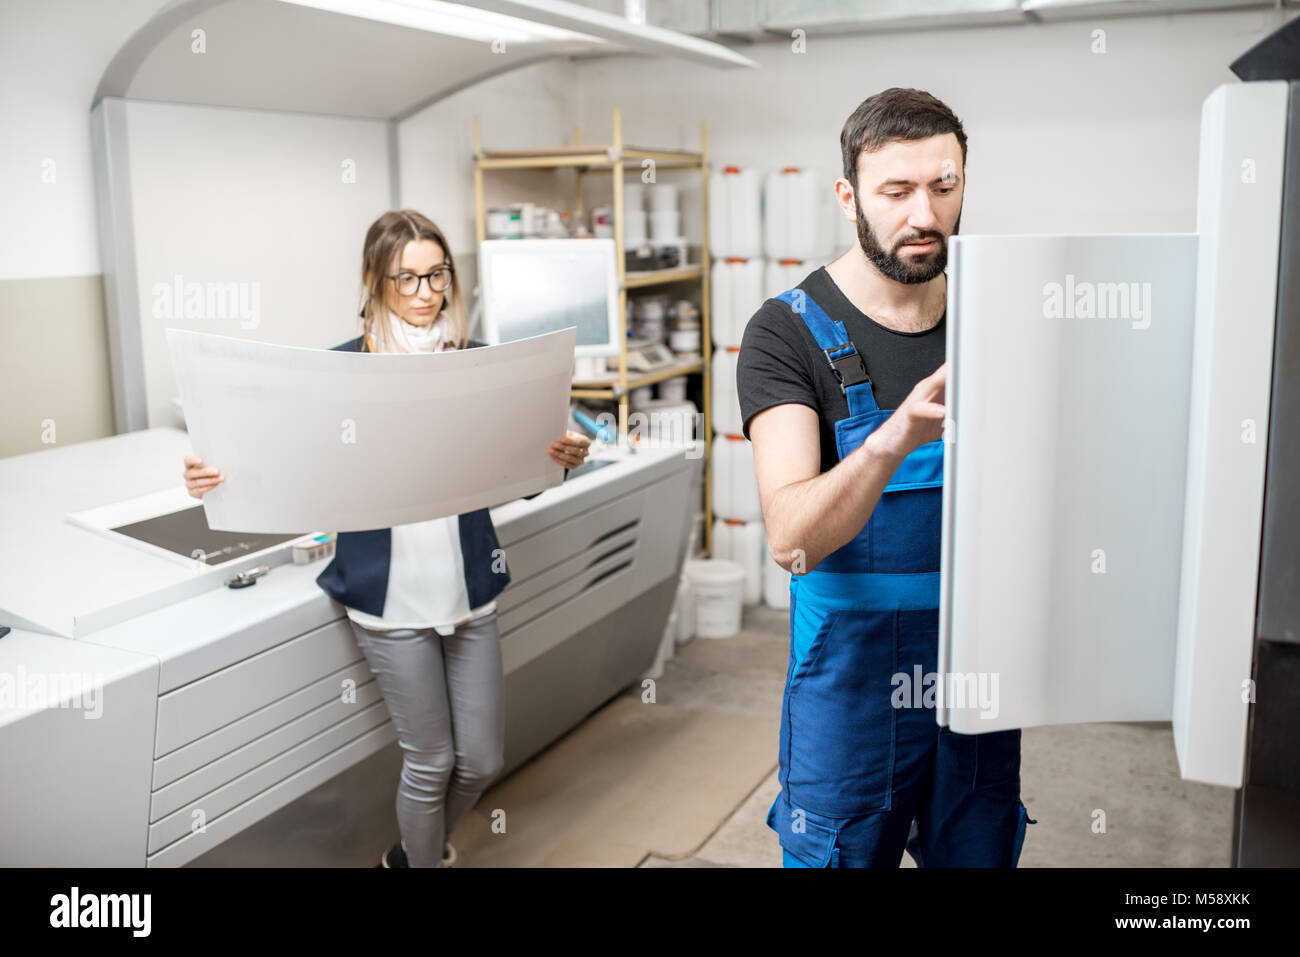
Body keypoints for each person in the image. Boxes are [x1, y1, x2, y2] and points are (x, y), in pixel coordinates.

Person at [184, 209, 591, 868]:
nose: (426, 292)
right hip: (387, 598)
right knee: (430, 762)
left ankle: (408, 856)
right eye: (407, 278)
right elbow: (275, 464)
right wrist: (212, 478)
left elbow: (522, 477)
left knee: (481, 758)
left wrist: (560, 458)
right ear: (374, 281)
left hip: (468, 588)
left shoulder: (478, 364)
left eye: (437, 275)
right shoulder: (342, 373)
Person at [737, 89, 1033, 867]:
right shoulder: (786, 332)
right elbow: (790, 537)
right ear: (849, 197)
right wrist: (891, 439)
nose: (924, 215)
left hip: (978, 670)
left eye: (944, 186)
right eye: (896, 192)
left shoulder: (997, 313)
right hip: (852, 691)